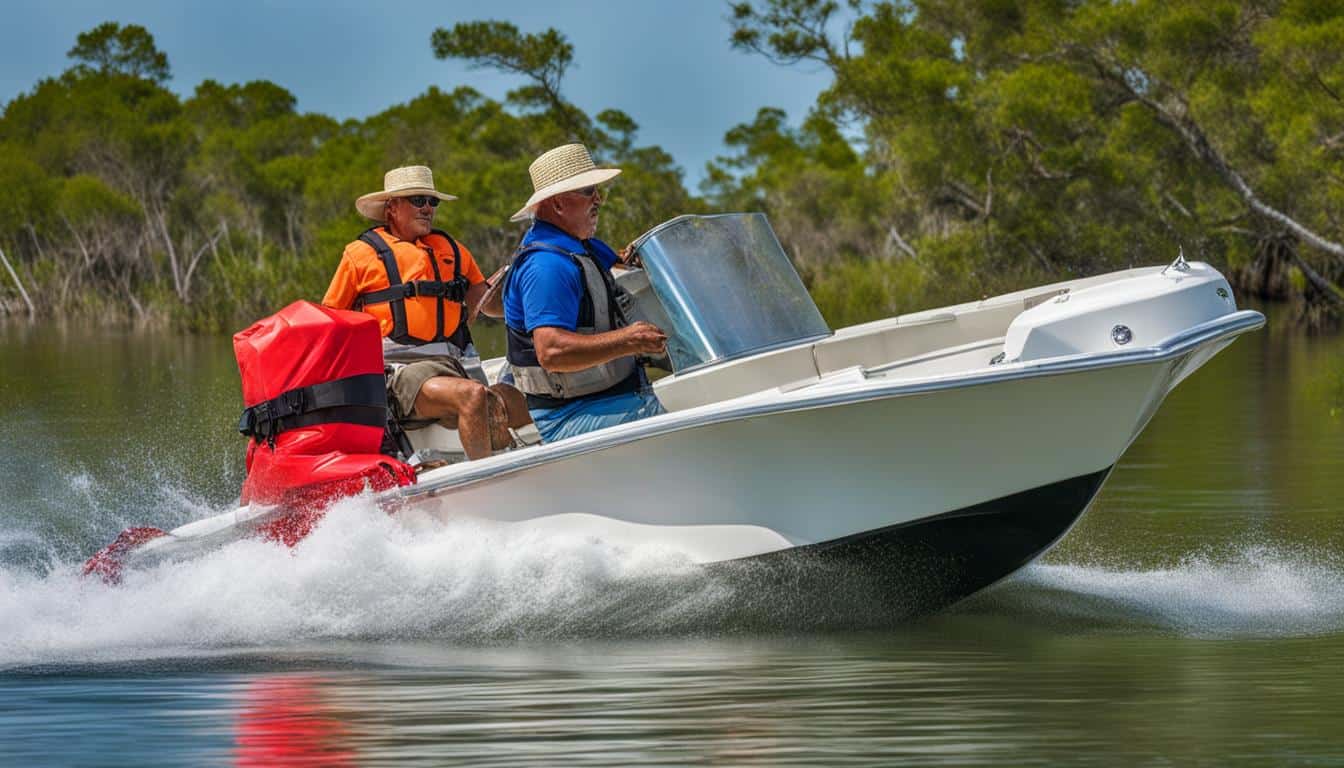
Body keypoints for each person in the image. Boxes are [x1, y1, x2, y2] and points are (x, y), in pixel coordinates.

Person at [323, 165, 528, 460]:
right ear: (392, 207)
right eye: (418, 201)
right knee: (472, 397)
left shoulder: (453, 250)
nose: (428, 209)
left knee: (517, 400)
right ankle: (488, 484)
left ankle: (529, 469)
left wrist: (523, 284)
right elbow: (330, 326)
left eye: (433, 202)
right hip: (399, 376)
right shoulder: (359, 255)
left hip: (453, 368)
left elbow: (490, 305)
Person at [502, 143, 668, 442]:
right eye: (588, 190)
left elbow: (613, 261)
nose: (599, 199)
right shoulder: (547, 266)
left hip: (612, 399)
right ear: (558, 205)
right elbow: (551, 351)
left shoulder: (581, 246)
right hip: (572, 416)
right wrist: (628, 340)